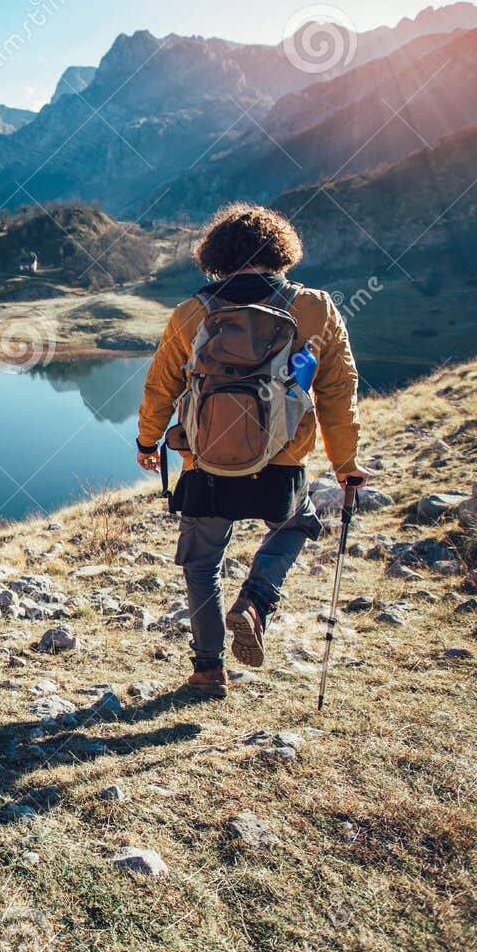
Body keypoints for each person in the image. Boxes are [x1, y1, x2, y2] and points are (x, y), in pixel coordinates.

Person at [135, 204, 365, 699]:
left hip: (205, 464)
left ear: (214, 256)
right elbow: (338, 392)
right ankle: (257, 600)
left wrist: (148, 442)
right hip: (279, 467)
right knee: (298, 522)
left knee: (202, 564)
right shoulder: (314, 308)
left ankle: (208, 670)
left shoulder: (192, 313)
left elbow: (160, 387)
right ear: (282, 251)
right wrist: (345, 464)